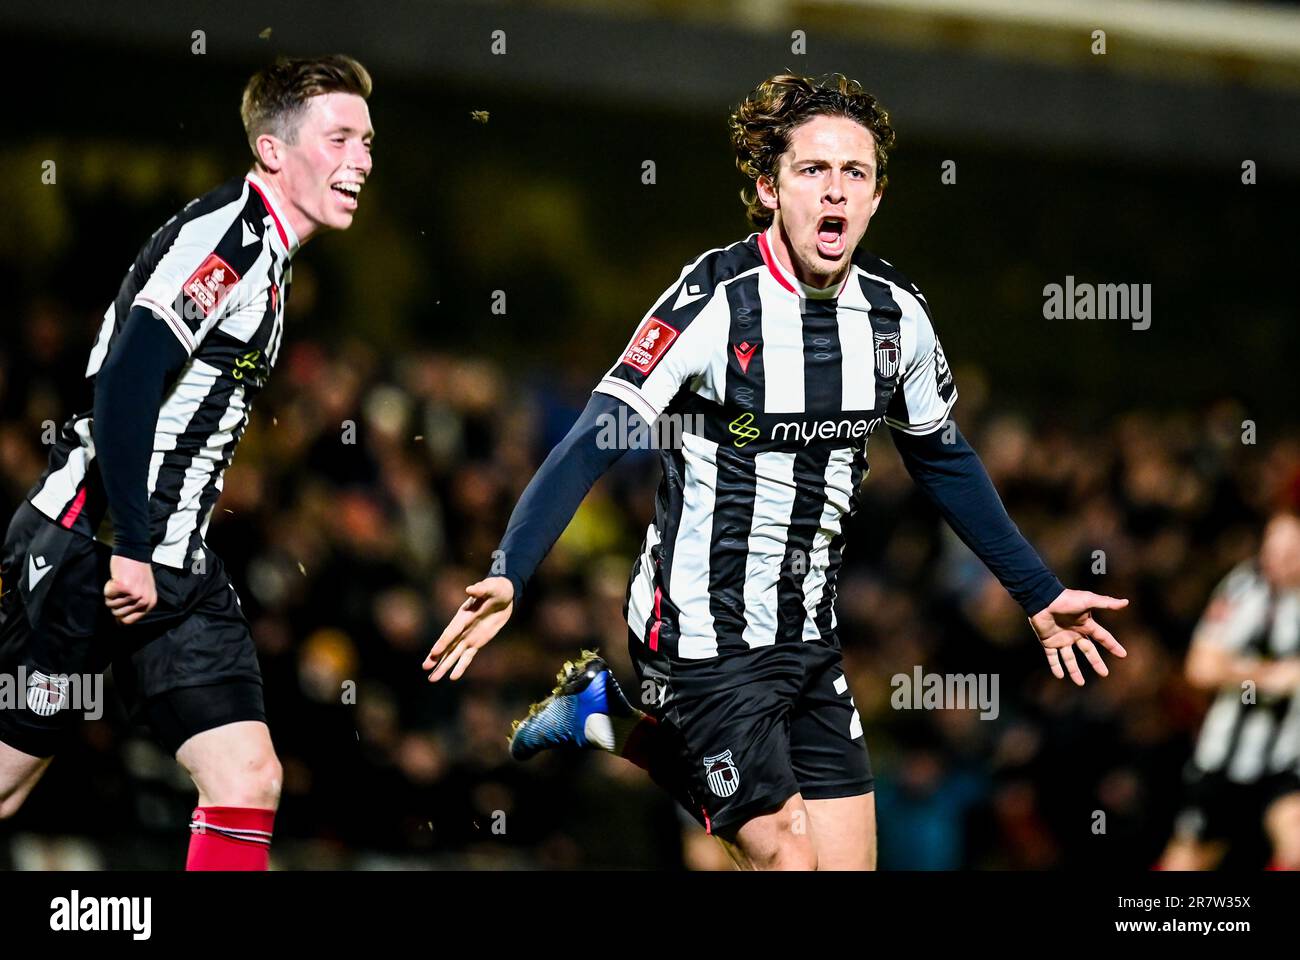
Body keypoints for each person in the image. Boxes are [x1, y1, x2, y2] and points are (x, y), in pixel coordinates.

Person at [425, 71, 1127, 870]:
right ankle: (620, 721)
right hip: (697, 633)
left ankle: (606, 719)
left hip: (807, 636)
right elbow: (595, 435)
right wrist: (512, 568)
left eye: (853, 174)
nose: (835, 191)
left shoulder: (898, 317)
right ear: (769, 189)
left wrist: (1036, 592)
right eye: (813, 171)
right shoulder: (713, 301)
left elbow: (941, 457)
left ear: (875, 199)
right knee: (788, 857)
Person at [0, 54, 374, 870]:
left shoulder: (269, 258)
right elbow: (129, 381)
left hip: (176, 567)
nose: (362, 161)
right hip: (92, 550)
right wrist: (131, 543)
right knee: (7, 780)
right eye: (339, 139)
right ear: (274, 152)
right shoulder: (231, 241)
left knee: (247, 775)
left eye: (367, 141)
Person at [1160, 511, 1300, 871]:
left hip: (1285, 763)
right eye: (1273, 550)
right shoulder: (1244, 587)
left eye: (1290, 554)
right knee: (1186, 861)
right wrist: (1270, 675)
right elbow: (1199, 667)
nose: (1277, 562)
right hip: (1223, 761)